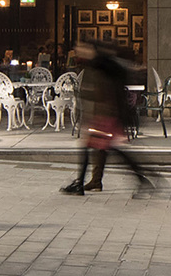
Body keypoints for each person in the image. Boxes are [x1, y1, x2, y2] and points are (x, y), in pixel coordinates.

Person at [60, 41, 157, 199]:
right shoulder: (99, 66)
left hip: (106, 117)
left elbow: (103, 93)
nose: (78, 51)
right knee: (98, 149)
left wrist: (85, 94)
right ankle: (86, 183)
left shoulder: (103, 67)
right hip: (104, 116)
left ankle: (143, 179)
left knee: (113, 151)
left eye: (82, 48)